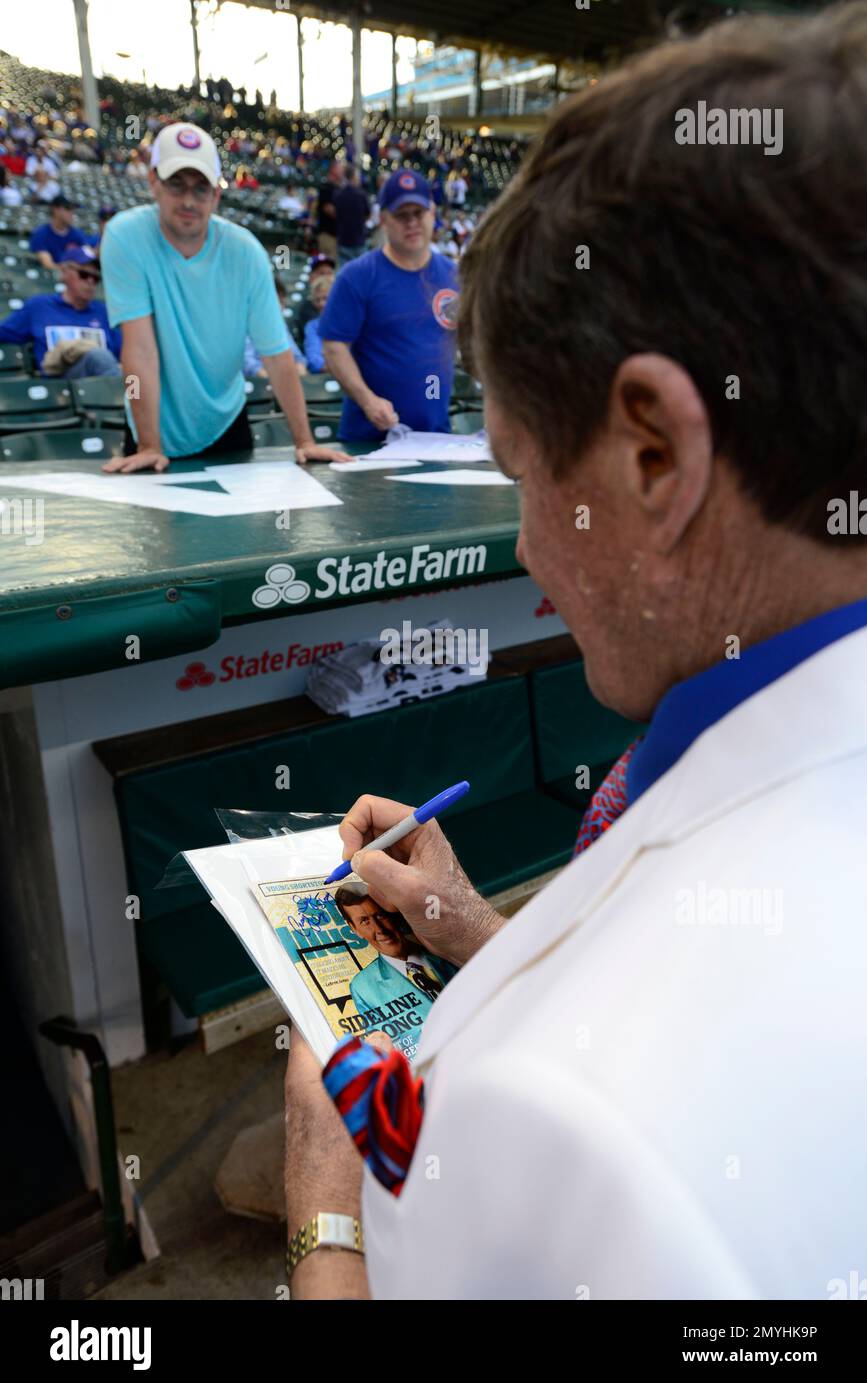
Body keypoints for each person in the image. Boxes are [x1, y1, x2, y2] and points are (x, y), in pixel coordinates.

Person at [283, 3, 867, 1300]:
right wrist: (473, 928)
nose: (527, 550)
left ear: (650, 453)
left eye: (517, 476)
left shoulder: (559, 1125)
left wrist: (327, 1212)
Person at [99, 122, 347, 472]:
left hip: (226, 423)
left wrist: (304, 441)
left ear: (216, 195)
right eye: (176, 185)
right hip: (148, 428)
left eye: (201, 189)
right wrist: (148, 444)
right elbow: (138, 353)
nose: (188, 200)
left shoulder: (245, 252)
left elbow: (276, 354)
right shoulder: (125, 237)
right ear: (154, 182)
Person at [319, 169, 459, 442]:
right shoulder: (357, 276)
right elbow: (334, 347)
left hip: (438, 439)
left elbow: (470, 343)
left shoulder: (454, 277)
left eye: (419, 213)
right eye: (401, 215)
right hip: (369, 439)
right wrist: (368, 400)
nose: (412, 223)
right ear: (383, 220)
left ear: (433, 214)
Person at [334, 890, 455, 1025]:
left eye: (380, 916)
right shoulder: (363, 987)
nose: (379, 929)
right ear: (354, 929)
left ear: (392, 913)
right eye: (364, 921)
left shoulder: (444, 948)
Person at [0, 244, 120, 377]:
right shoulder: (39, 306)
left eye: (96, 278)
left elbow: (126, 354)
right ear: (64, 272)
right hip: (59, 387)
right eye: (84, 274)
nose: (91, 282)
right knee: (97, 356)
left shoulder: (103, 312)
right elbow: (4, 332)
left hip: (102, 385)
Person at [244, 275, 307, 377]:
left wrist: (301, 372)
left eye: (282, 302)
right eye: (275, 301)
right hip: (259, 385)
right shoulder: (246, 327)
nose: (281, 306)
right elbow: (248, 363)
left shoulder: (280, 325)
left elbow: (297, 357)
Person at [29, 195, 89, 269]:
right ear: (55, 210)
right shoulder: (41, 234)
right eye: (68, 208)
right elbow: (48, 265)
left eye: (72, 210)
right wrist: (69, 267)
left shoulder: (77, 234)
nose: (72, 213)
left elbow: (89, 257)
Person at [334, 165, 368, 266]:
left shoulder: (339, 194)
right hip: (358, 240)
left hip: (343, 239)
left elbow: (336, 214)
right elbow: (368, 214)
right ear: (353, 177)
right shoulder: (362, 195)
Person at [302, 274, 333, 373]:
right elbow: (313, 360)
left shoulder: (351, 321)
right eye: (317, 300)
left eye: (325, 298)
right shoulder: (312, 326)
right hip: (326, 375)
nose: (321, 304)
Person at [315, 161, 343, 259]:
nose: (342, 171)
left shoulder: (339, 187)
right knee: (327, 268)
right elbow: (327, 208)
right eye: (340, 168)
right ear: (334, 170)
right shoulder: (326, 187)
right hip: (327, 235)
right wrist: (346, 216)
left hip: (336, 236)